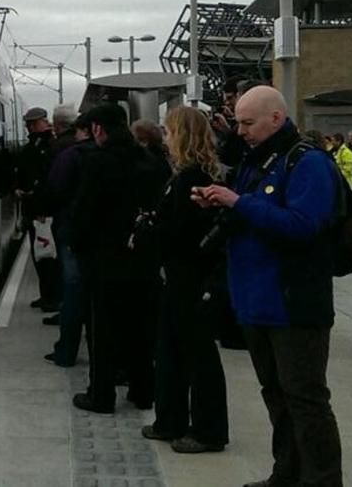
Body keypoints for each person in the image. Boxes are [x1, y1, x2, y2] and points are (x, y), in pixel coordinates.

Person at [192, 85, 343, 487]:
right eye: (238, 122)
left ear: (276, 118)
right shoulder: (257, 161)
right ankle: (286, 473)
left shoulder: (307, 163)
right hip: (257, 301)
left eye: (247, 122)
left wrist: (238, 202)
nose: (239, 130)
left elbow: (303, 225)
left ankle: (322, 480)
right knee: (275, 395)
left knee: (306, 399)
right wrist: (221, 202)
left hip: (294, 304)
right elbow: (254, 215)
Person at [136, 106, 228, 454]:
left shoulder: (194, 177)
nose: (166, 137)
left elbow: (182, 229)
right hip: (179, 275)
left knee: (197, 353)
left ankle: (208, 430)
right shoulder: (189, 173)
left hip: (191, 276)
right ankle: (169, 419)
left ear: (183, 135)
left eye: (170, 131)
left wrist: (150, 229)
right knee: (172, 349)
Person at [71, 103, 161, 413]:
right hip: (143, 260)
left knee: (103, 331)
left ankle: (101, 395)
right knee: (140, 329)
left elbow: (83, 212)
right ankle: (143, 391)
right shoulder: (150, 160)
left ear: (98, 129)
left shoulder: (97, 162)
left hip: (104, 261)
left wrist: (76, 244)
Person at [43, 115, 93, 366]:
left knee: (74, 289)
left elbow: (55, 190)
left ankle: (66, 351)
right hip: (109, 239)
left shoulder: (70, 156)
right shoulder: (131, 155)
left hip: (73, 231)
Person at [14, 107, 59, 314]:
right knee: (40, 253)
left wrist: (38, 204)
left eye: (32, 123)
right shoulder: (41, 144)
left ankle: (51, 296)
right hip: (35, 208)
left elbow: (42, 179)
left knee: (45, 254)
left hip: (41, 211)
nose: (29, 127)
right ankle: (47, 294)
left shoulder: (46, 146)